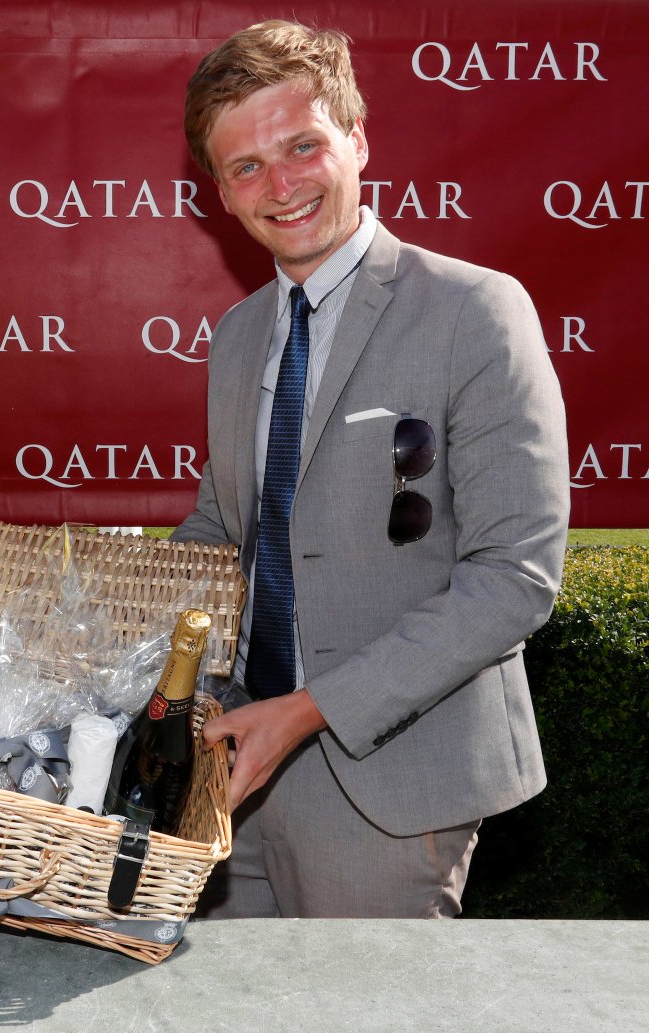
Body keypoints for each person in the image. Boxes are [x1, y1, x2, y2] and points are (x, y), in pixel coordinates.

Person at [172, 21, 570, 918]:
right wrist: (90, 618)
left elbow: (515, 579)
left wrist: (307, 709)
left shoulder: (476, 310)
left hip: (392, 783)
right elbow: (224, 532)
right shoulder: (238, 338)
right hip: (231, 766)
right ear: (220, 193)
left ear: (356, 138)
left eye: (303, 145)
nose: (281, 185)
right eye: (246, 166)